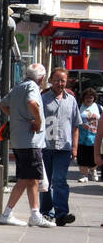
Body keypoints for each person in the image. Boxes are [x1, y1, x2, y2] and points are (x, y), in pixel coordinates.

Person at [0, 63, 53, 227]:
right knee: (27, 178)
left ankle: (34, 213)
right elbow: (31, 102)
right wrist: (37, 120)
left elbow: (3, 103)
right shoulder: (32, 87)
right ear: (41, 78)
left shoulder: (18, 86)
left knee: (31, 179)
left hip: (20, 139)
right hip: (30, 140)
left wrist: (16, 117)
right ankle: (9, 213)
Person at [38, 66, 82, 226]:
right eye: (57, 80)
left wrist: (75, 147)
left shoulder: (71, 100)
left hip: (64, 147)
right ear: (50, 80)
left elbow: (75, 126)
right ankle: (46, 213)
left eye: (63, 80)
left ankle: (62, 213)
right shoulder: (42, 99)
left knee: (60, 180)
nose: (60, 83)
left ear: (66, 82)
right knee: (46, 182)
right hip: (45, 146)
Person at [78, 88, 99, 181]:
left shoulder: (99, 107)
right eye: (87, 97)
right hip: (81, 137)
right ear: (83, 98)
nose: (89, 99)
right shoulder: (79, 107)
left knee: (93, 157)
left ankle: (93, 171)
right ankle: (84, 176)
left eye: (91, 97)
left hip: (94, 137)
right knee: (82, 157)